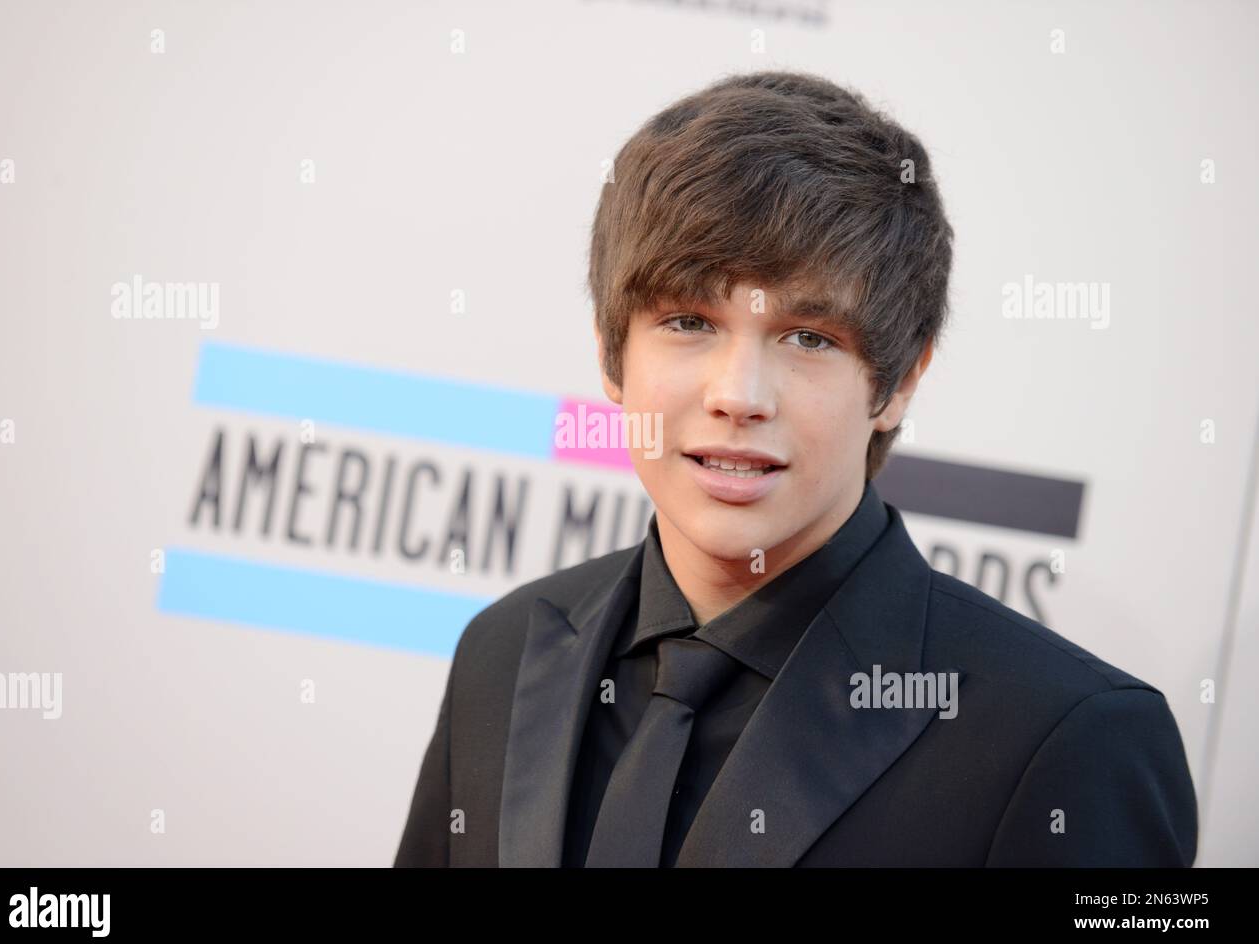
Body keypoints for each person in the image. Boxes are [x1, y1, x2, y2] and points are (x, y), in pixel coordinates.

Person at [393, 70, 1197, 867]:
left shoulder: (1068, 741)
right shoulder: (503, 651)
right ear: (612, 354)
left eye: (809, 336)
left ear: (897, 381)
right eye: (687, 320)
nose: (738, 396)